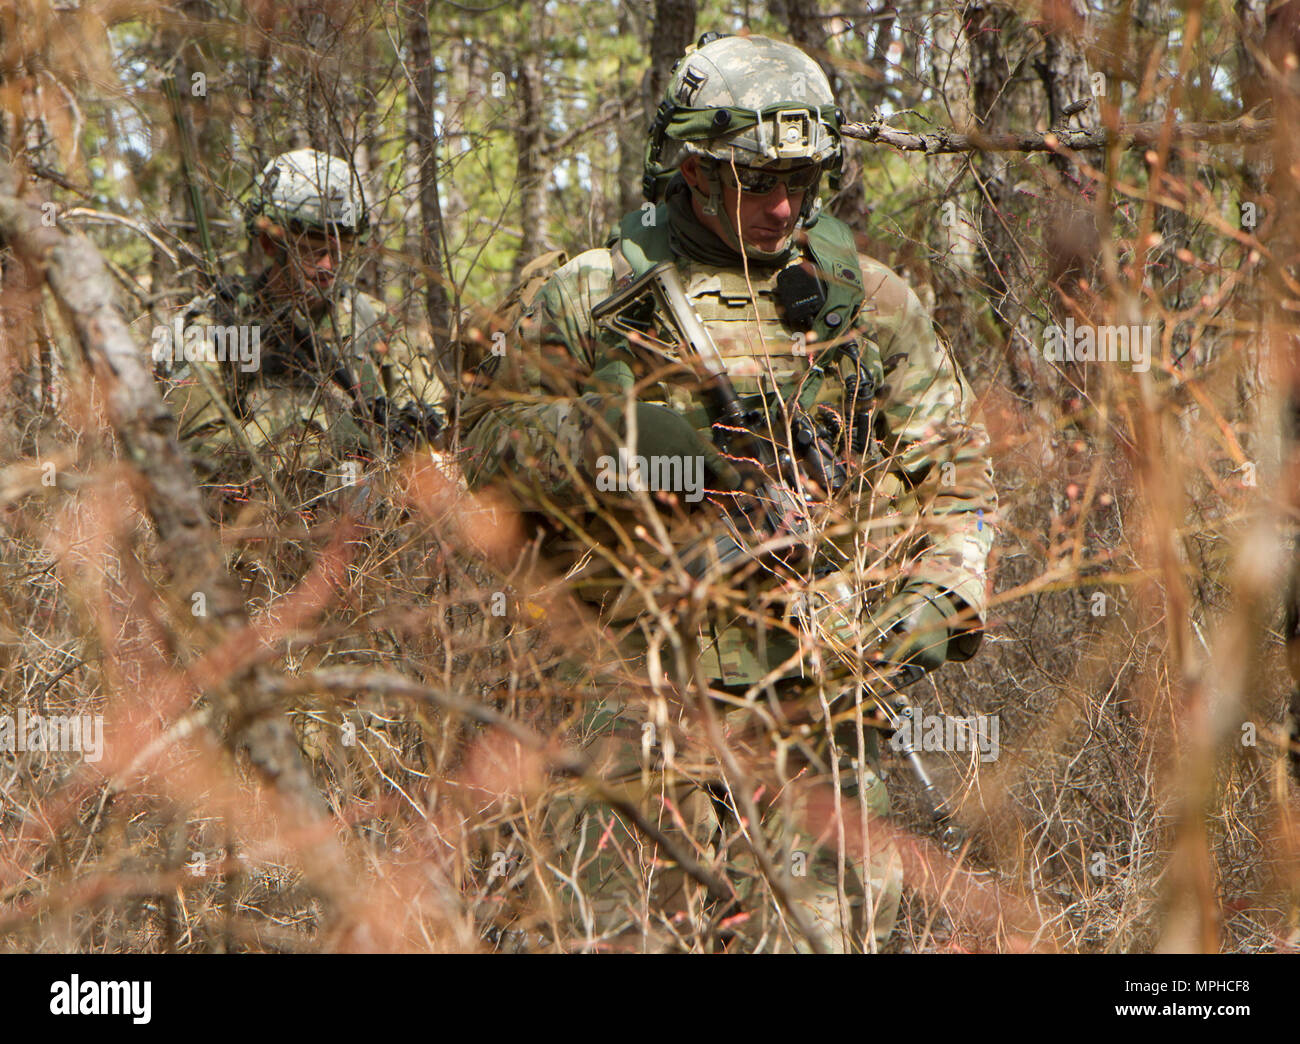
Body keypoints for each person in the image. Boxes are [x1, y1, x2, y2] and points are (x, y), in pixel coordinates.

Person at [462, 33, 996, 952]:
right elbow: (481, 450)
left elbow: (957, 474)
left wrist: (939, 598)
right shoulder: (591, 296)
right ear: (694, 169)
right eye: (756, 181)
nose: (783, 206)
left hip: (812, 689)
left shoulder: (869, 305)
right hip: (628, 691)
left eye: (802, 180)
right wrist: (607, 438)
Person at [157, 148, 447, 515]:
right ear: (269, 244)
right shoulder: (217, 329)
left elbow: (432, 405)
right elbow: (199, 465)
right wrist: (318, 457)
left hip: (374, 543)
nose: (328, 267)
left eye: (338, 252)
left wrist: (415, 428)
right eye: (312, 252)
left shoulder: (370, 319)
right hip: (261, 543)